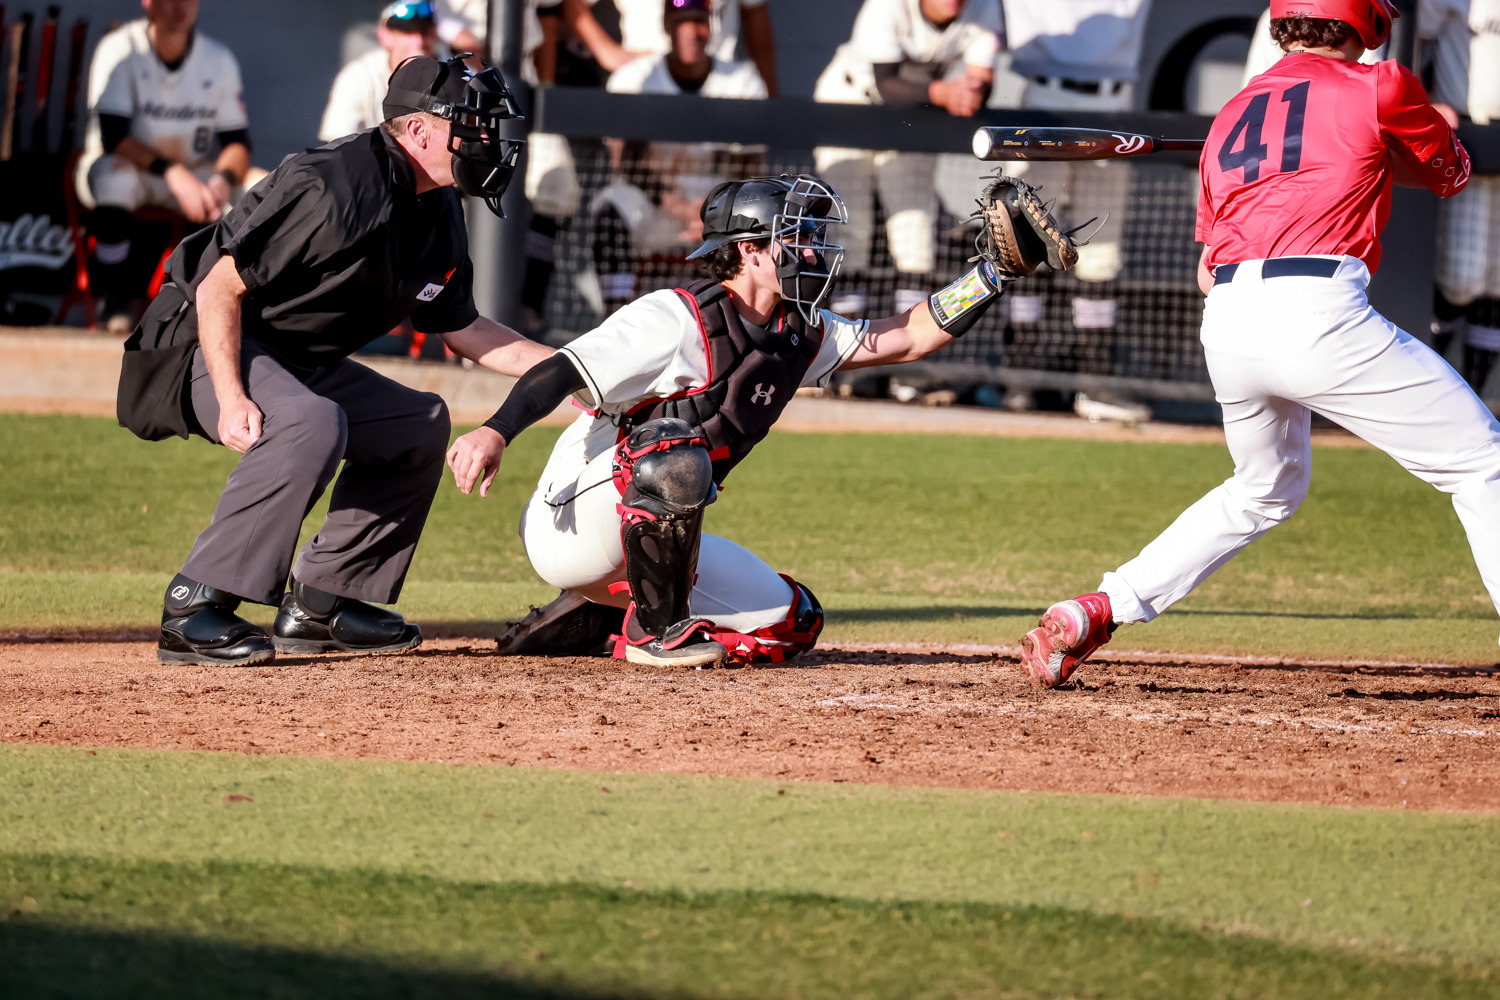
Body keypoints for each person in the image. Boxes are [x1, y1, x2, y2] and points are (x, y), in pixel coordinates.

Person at [1019, 0, 1483, 689]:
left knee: (1265, 489)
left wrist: (1372, 155)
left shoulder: (1234, 111)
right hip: (1318, 310)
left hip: (1231, 320)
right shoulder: (1383, 84)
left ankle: (1101, 606)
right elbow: (1451, 175)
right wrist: (1430, 131)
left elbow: (1207, 267)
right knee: (1482, 463)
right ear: (1367, 20)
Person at [446, 174, 1010, 666]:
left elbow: (909, 336)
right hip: (570, 520)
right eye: (795, 236)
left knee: (794, 622)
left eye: (813, 237)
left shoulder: (800, 331)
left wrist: (993, 274)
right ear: (748, 249)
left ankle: (599, 621)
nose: (812, 249)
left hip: (642, 529)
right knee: (674, 450)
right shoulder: (675, 317)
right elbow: (562, 369)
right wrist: (495, 429)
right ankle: (655, 633)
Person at [116, 55, 553, 666]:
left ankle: (323, 601)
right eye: (471, 125)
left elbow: (463, 327)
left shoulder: (438, 206)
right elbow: (218, 287)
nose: (484, 140)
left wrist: (572, 369)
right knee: (308, 422)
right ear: (420, 129)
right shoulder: (333, 185)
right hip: (197, 342)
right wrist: (233, 394)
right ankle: (194, 607)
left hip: (293, 357)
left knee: (418, 422)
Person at [990, 0, 1152, 417]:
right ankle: (1018, 379)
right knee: (1023, 243)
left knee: (1102, 253)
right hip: (1043, 100)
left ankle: (1094, 385)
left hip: (1114, 103)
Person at [814, 0, 1002, 318]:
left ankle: (911, 350)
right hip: (852, 99)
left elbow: (983, 78)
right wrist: (946, 95)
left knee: (914, 232)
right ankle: (845, 342)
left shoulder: (984, 7)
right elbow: (885, 83)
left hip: (915, 111)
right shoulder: (886, 6)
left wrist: (972, 92)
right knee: (851, 228)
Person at [76, 0, 253, 331]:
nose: (179, 6)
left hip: (189, 172)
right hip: (127, 166)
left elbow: (238, 144)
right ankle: (112, 298)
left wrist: (221, 180)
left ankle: (198, 306)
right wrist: (173, 173)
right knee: (117, 179)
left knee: (250, 191)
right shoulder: (120, 48)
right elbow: (114, 137)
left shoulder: (217, 59)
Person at [564, 0, 777, 94]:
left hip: (719, 87)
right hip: (647, 84)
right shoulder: (630, 81)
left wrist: (770, 97)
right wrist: (608, 53)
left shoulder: (743, 85)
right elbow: (571, 3)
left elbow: (755, 11)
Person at [319, 2, 440, 143]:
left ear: (435, 34)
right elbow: (338, 145)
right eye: (407, 33)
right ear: (385, 37)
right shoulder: (358, 77)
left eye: (425, 32)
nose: (419, 42)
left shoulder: (457, 73)